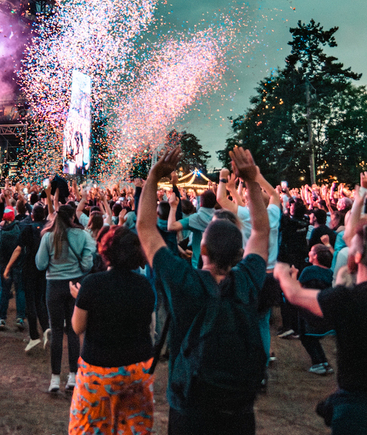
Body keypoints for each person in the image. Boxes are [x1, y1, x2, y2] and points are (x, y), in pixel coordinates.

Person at [137, 146, 270, 435]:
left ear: (204, 249)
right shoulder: (247, 280)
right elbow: (261, 230)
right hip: (238, 409)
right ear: (239, 254)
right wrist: (251, 179)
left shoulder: (184, 281)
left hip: (190, 408)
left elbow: (145, 227)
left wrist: (153, 176)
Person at [274, 225, 367, 435]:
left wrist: (282, 273)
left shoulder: (346, 299)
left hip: (356, 409)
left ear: (357, 257)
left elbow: (295, 295)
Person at [67, 226, 155, 434]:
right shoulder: (144, 285)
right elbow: (150, 327)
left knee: (89, 428)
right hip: (137, 368)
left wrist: (79, 299)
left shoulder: (92, 284)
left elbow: (77, 326)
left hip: (99, 369)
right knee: (134, 428)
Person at [35, 201, 96, 393]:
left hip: (54, 285)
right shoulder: (83, 235)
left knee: (56, 330)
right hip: (76, 284)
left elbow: (40, 263)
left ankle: (54, 379)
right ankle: (72, 376)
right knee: (73, 331)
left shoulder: (48, 236)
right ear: (72, 218)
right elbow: (88, 264)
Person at [6, 202, 51, 353]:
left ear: (32, 215)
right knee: (40, 300)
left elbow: (18, 249)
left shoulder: (27, 229)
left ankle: (34, 336)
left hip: (29, 267)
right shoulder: (48, 228)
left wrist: (8, 267)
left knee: (30, 302)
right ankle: (45, 329)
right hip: (44, 269)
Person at [297, 243, 335, 375]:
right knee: (312, 338)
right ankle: (323, 362)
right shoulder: (330, 273)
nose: (309, 253)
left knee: (306, 337)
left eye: (311, 251)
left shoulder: (308, 271)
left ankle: (318, 363)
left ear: (316, 256)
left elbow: (298, 288)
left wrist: (292, 274)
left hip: (308, 310)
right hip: (323, 310)